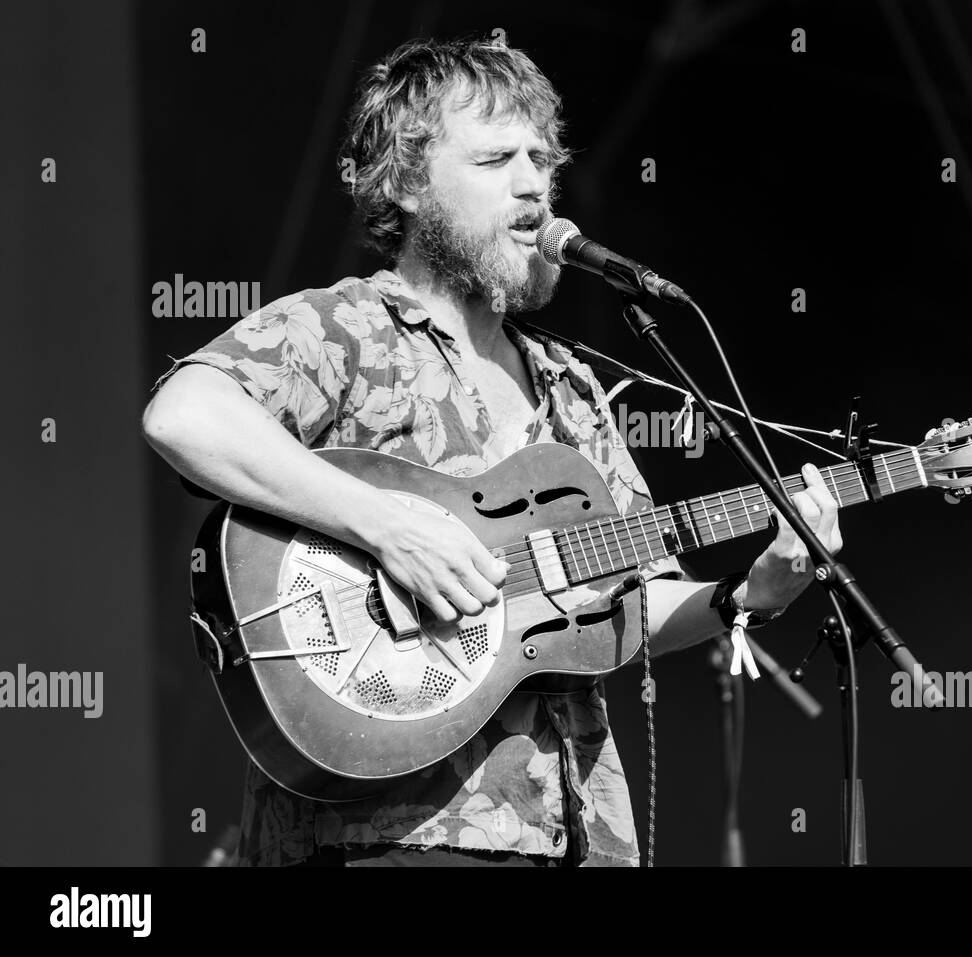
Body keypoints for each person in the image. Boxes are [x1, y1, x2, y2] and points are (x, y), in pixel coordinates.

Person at [141, 35, 843, 867]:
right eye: (496, 158)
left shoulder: (573, 390)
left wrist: (750, 594)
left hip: (573, 836)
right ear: (405, 181)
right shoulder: (345, 330)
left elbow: (622, 599)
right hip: (386, 837)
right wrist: (384, 526)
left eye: (542, 158)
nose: (534, 185)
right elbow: (184, 415)